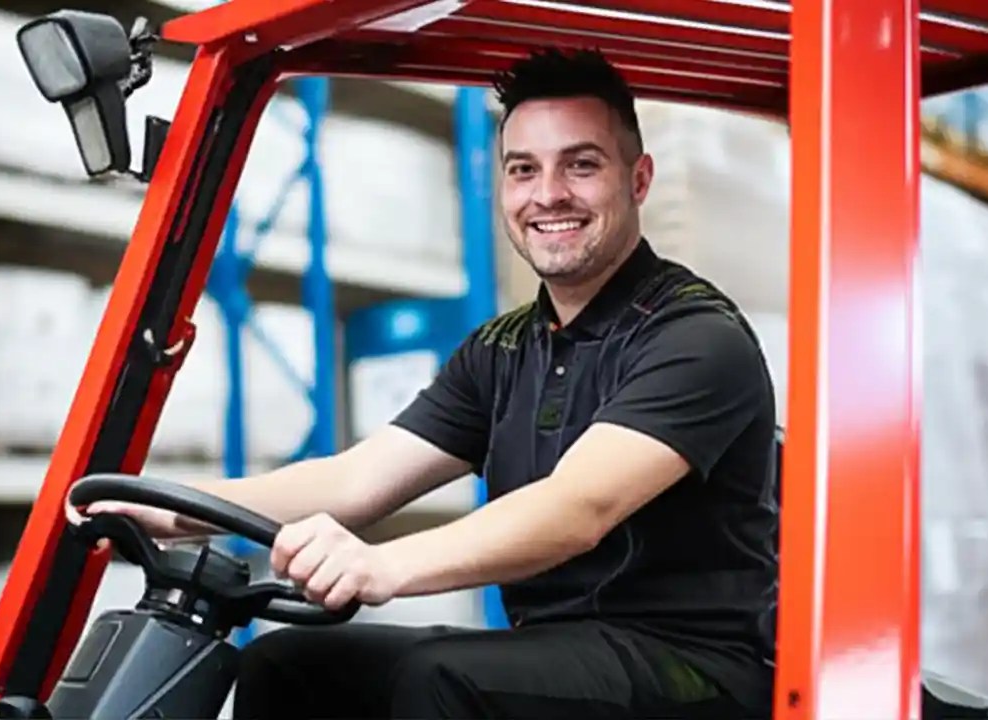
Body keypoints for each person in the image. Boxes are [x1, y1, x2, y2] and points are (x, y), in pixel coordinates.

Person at [74, 47, 780, 719]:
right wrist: (169, 509)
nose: (549, 195)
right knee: (286, 663)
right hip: (561, 654)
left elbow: (577, 508)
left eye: (581, 165)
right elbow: (355, 481)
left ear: (639, 178)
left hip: (696, 670)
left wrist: (383, 568)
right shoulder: (503, 350)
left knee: (439, 680)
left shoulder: (694, 337)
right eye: (523, 170)